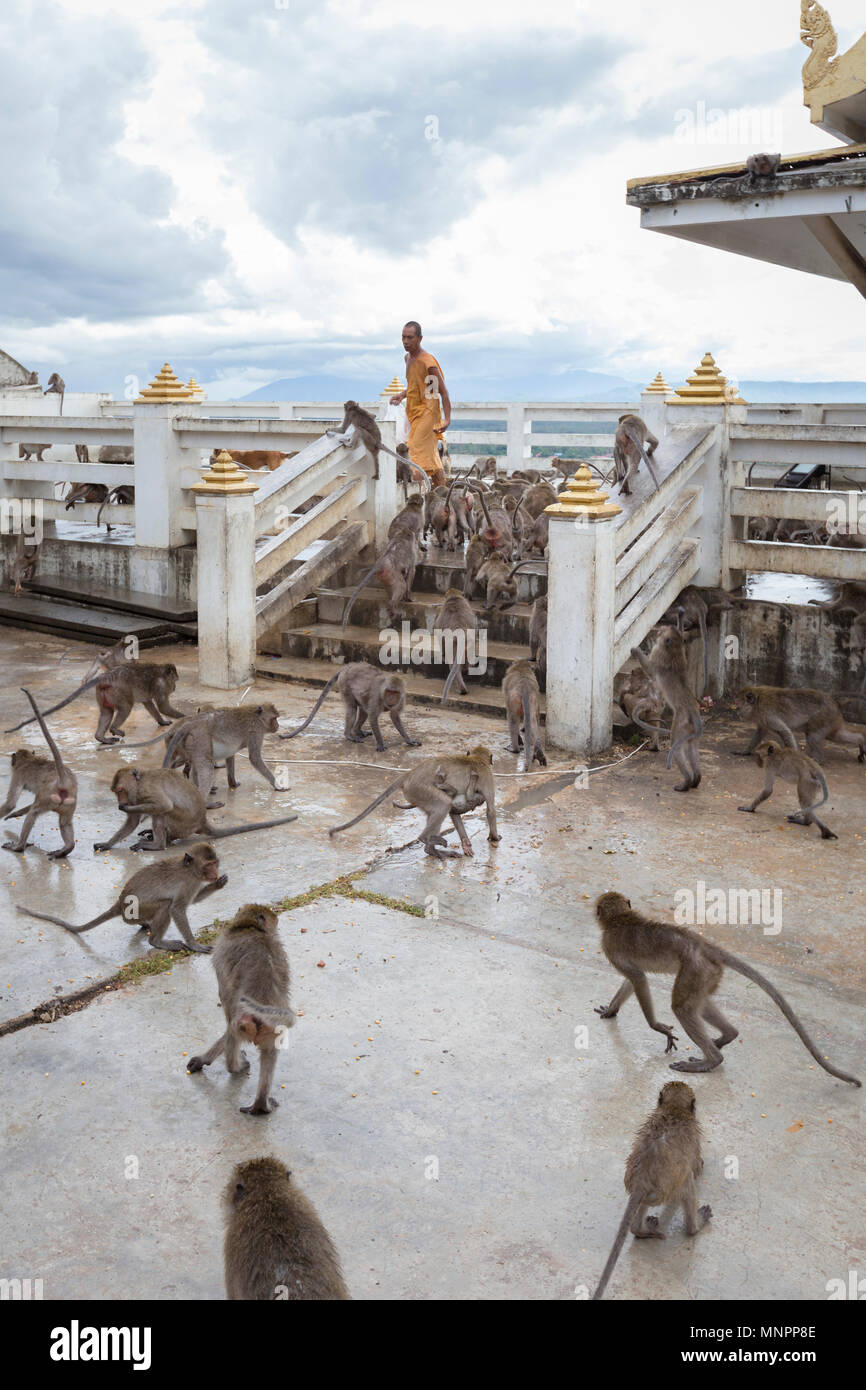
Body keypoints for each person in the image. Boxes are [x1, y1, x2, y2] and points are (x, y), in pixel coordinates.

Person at [389, 322, 450, 488]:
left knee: (413, 453)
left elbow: (442, 391)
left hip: (428, 413)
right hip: (413, 411)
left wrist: (446, 420)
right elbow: (416, 385)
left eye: (410, 337)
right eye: (403, 337)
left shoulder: (427, 362)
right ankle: (442, 495)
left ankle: (411, 497)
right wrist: (402, 395)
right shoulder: (407, 358)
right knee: (431, 457)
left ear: (420, 338)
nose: (405, 341)